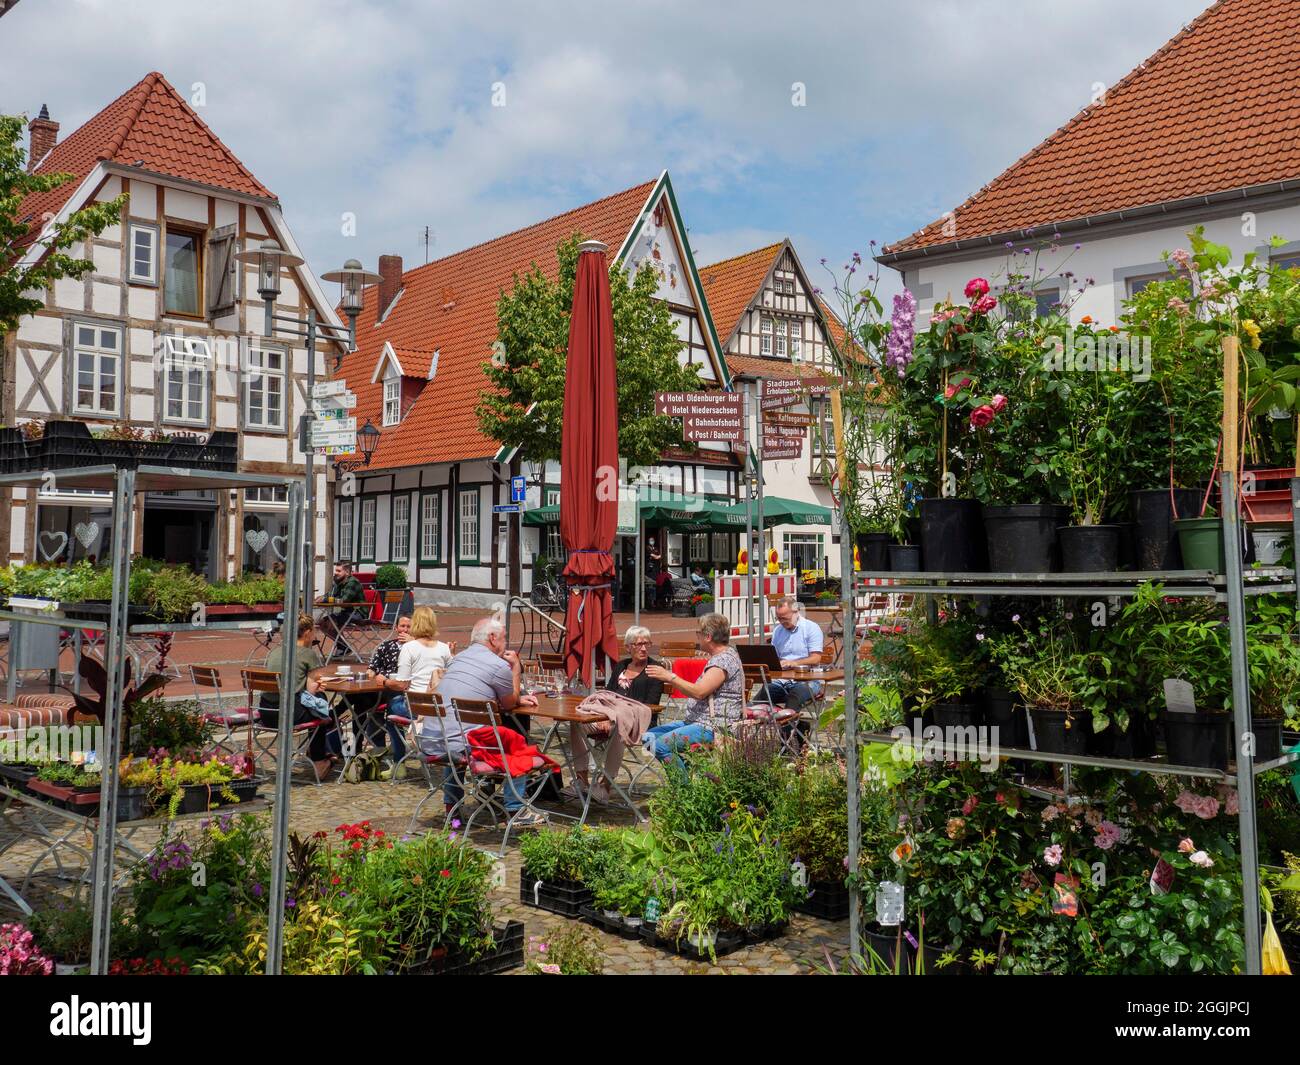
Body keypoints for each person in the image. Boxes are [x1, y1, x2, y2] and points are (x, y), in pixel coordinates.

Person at [422, 615, 545, 827]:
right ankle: (516, 809)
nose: (506, 644)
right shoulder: (498, 666)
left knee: (456, 739)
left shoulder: (458, 659)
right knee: (516, 745)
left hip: (432, 741)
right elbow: (509, 704)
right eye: (505, 638)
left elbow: (476, 690)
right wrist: (516, 669)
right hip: (463, 746)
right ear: (492, 638)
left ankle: (451, 806)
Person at [564, 625, 665, 803]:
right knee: (576, 722)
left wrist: (615, 717)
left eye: (646, 644)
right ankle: (581, 779)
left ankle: (605, 786)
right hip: (607, 717)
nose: (643, 648)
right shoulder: (621, 666)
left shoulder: (655, 669)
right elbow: (607, 695)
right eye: (638, 644)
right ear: (628, 647)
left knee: (619, 726)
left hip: (638, 722)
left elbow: (650, 705)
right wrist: (606, 716)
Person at [643, 613, 744, 768]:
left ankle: (686, 789)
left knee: (661, 745)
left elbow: (700, 692)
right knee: (648, 738)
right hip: (696, 721)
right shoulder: (720, 657)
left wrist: (670, 677)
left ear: (708, 636)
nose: (697, 636)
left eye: (699, 633)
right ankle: (693, 776)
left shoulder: (723, 660)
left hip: (712, 726)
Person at [259, 613, 334, 779]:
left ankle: (319, 750)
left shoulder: (274, 652)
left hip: (266, 712)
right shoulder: (308, 654)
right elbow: (311, 689)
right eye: (314, 631)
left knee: (318, 705)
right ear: (307, 632)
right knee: (321, 703)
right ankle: (319, 759)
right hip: (289, 714)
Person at [758, 595, 825, 711]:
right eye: (779, 618)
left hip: (807, 679)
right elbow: (775, 657)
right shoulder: (778, 631)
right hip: (782, 680)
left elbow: (816, 658)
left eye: (785, 618)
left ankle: (788, 728)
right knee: (761, 699)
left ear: (796, 612)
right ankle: (796, 725)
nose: (781, 622)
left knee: (794, 697)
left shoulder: (811, 628)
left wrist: (794, 662)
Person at [318, 561, 365, 657]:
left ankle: (343, 647)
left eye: (339, 571)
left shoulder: (353, 583)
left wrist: (326, 599)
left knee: (330, 622)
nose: (335, 573)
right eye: (336, 570)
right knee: (322, 623)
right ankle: (343, 646)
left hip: (358, 613)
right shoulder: (339, 583)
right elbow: (330, 596)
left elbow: (344, 601)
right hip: (347, 613)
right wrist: (321, 598)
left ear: (347, 572)